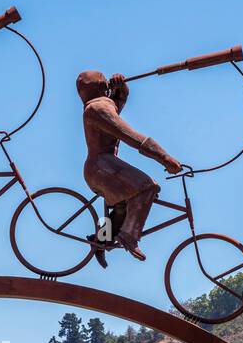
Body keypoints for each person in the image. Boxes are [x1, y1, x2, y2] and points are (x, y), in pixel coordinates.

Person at [76, 70, 183, 266]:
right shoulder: (97, 109)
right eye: (105, 82)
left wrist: (121, 86)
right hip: (101, 167)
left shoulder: (102, 106)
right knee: (146, 187)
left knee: (121, 205)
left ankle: (100, 239)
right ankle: (129, 235)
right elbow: (131, 136)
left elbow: (119, 100)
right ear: (101, 87)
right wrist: (164, 157)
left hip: (102, 167)